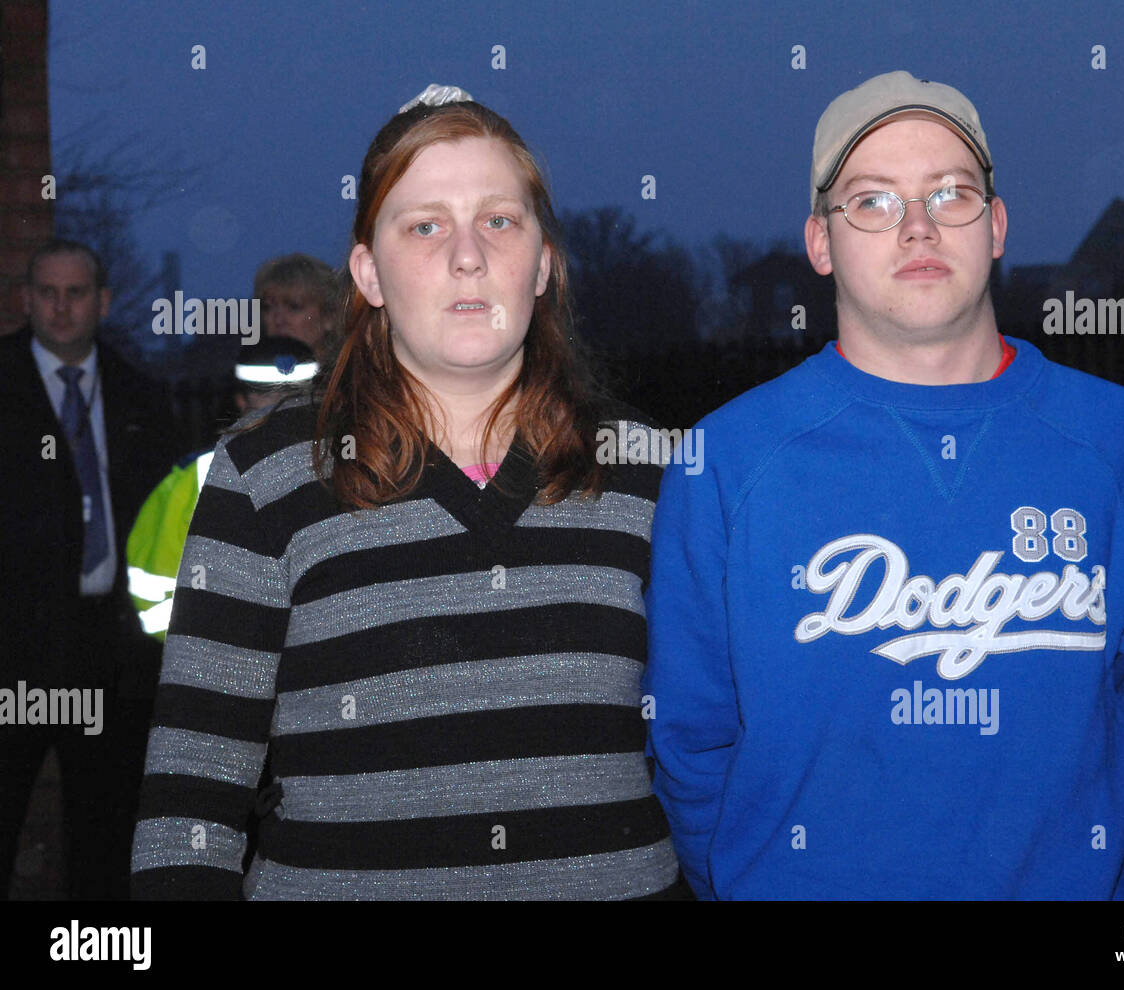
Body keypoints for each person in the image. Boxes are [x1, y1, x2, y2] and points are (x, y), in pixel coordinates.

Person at [644, 71, 1124, 900]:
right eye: (872, 201)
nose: (917, 227)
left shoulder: (1123, 445)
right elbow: (691, 742)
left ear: (997, 226)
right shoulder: (726, 460)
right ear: (820, 242)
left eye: (951, 193)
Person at [130, 84, 685, 900]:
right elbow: (192, 800)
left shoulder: (650, 468)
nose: (468, 255)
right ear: (369, 273)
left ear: (544, 264)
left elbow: (712, 751)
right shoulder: (265, 473)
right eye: (425, 225)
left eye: (500, 220)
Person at [0, 239, 181, 899]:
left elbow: (167, 523)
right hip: (12, 654)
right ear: (26, 299)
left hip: (109, 657)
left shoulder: (142, 395)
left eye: (76, 292)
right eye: (47, 292)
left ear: (102, 302)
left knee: (105, 845)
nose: (61, 307)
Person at [126, 337, 319, 641]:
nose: (282, 404)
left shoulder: (352, 473)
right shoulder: (197, 478)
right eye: (266, 393)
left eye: (294, 393)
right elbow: (153, 592)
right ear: (241, 400)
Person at [254, 254, 342, 360]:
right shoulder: (245, 371)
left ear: (329, 316)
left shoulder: (354, 373)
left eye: (294, 307)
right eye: (267, 308)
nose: (278, 320)